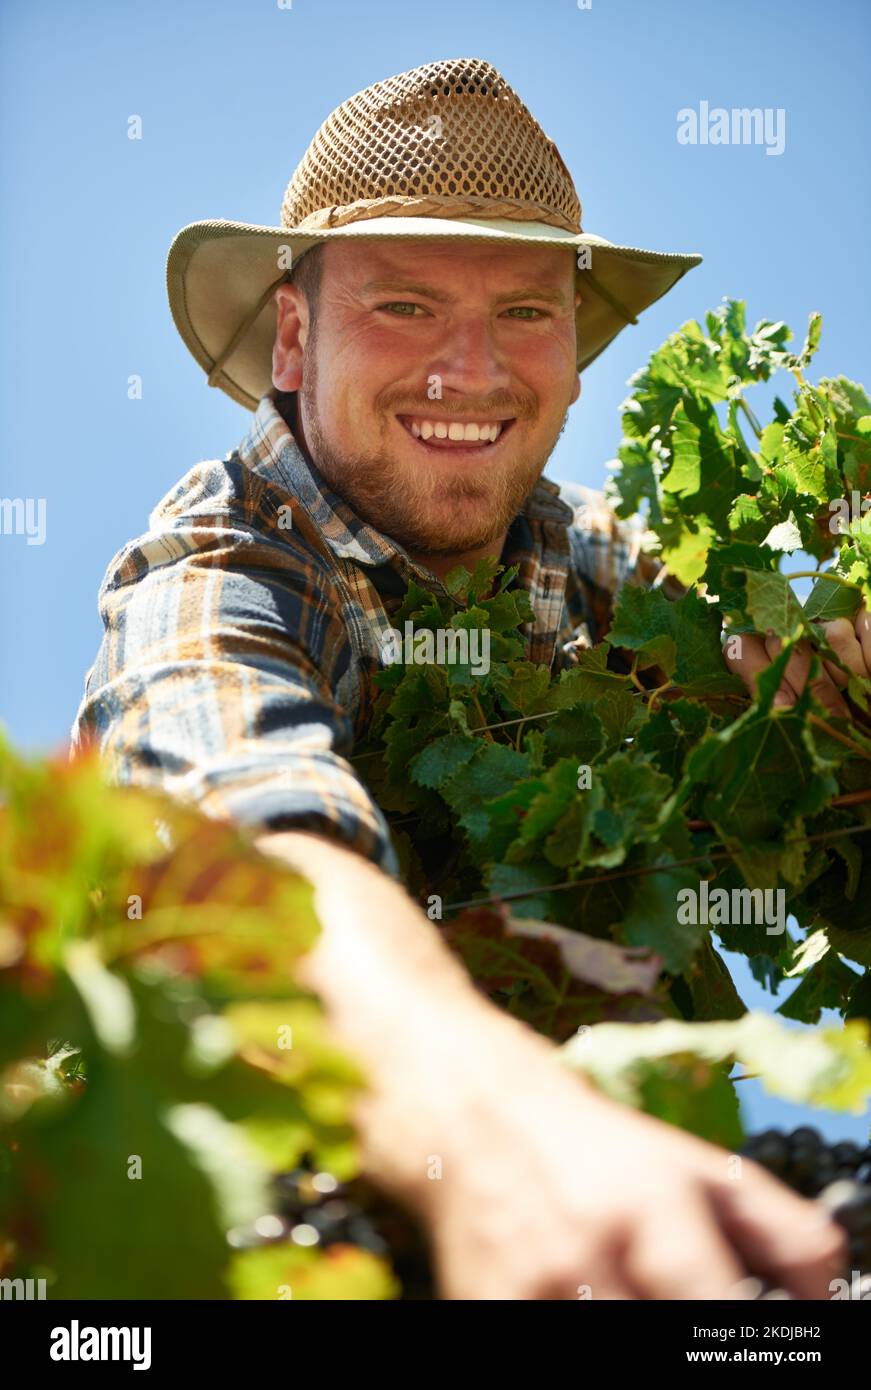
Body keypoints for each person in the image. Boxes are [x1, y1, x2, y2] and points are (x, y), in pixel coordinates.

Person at [73, 58, 858, 1299]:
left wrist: (812, 645)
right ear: (292, 335)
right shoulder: (225, 554)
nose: (471, 370)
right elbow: (257, 841)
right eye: (403, 304)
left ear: (577, 352)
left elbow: (759, 653)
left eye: (526, 313)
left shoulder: (586, 557)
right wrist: (489, 1118)